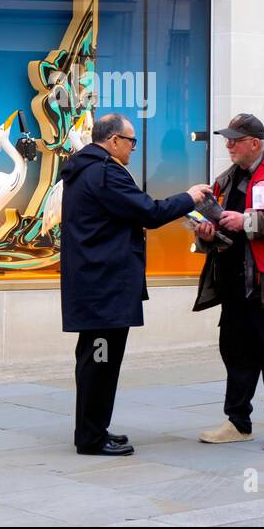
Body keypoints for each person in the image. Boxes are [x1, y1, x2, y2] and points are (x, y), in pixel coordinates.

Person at [59, 113, 212, 456]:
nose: (133, 148)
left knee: (98, 360)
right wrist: (189, 198)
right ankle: (90, 437)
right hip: (104, 286)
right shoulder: (105, 172)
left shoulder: (85, 170)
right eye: (131, 141)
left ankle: (95, 428)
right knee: (99, 361)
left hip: (96, 283)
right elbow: (150, 212)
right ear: (113, 140)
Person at [191, 113, 264, 452]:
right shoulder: (224, 181)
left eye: (235, 140)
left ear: (254, 143)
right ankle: (237, 422)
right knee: (235, 353)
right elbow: (216, 229)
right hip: (234, 282)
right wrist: (206, 233)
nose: (228, 145)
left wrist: (247, 220)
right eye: (227, 139)